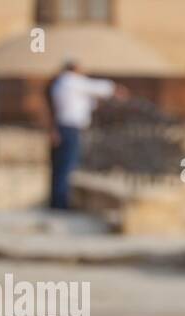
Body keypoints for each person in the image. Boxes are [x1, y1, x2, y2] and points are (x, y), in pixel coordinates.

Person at [46, 59, 129, 210]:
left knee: (60, 166)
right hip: (70, 128)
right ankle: (61, 203)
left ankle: (57, 201)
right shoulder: (70, 81)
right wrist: (115, 89)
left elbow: (87, 102)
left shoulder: (60, 84)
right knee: (67, 165)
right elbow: (97, 87)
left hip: (63, 127)